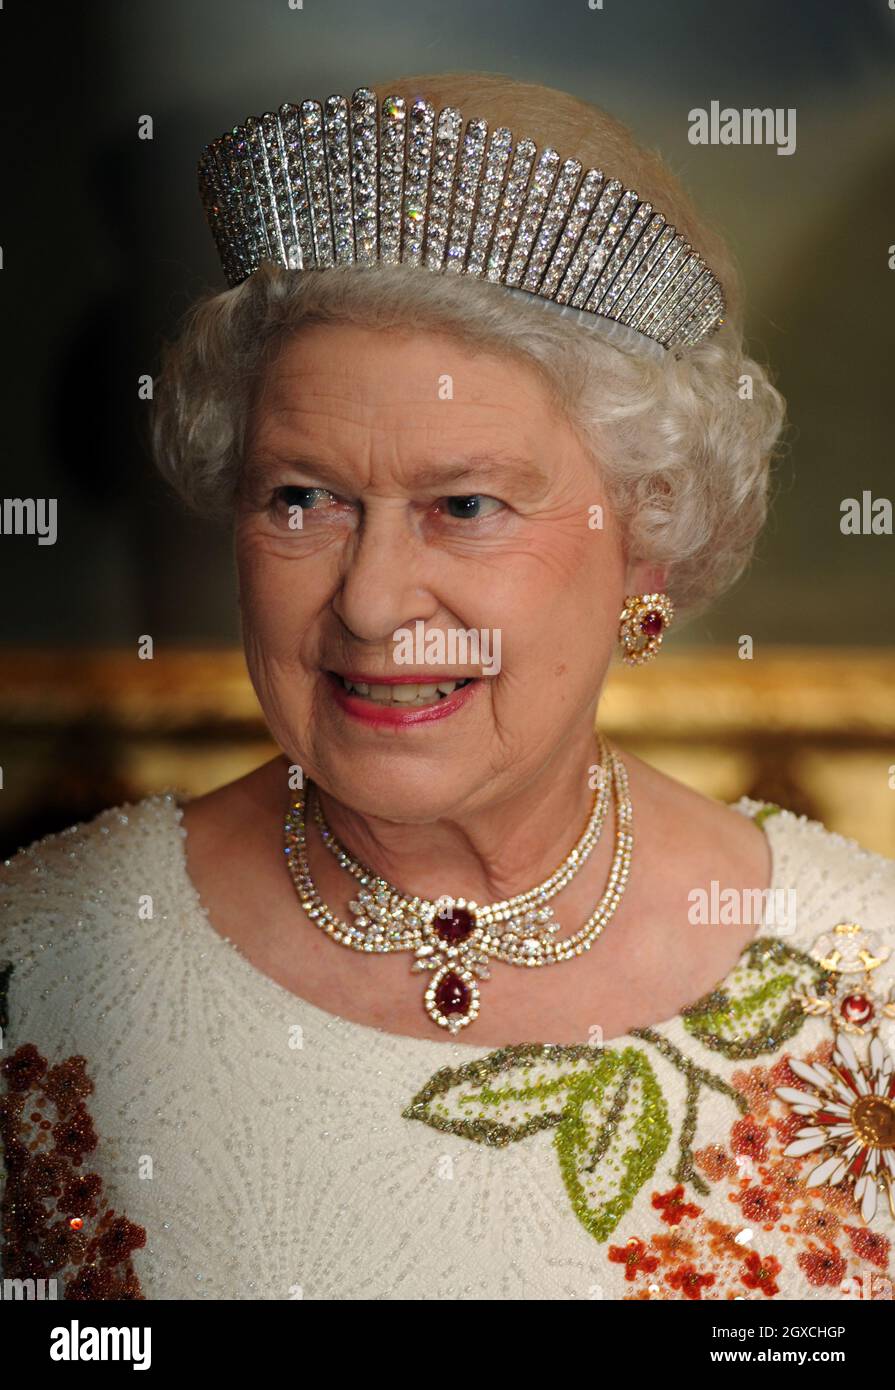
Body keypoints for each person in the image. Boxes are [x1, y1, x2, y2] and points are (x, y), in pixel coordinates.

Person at [2, 72, 894, 1301]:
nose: (370, 601)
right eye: (301, 499)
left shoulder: (869, 989)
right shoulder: (36, 969)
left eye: (464, 506)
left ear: (645, 534)